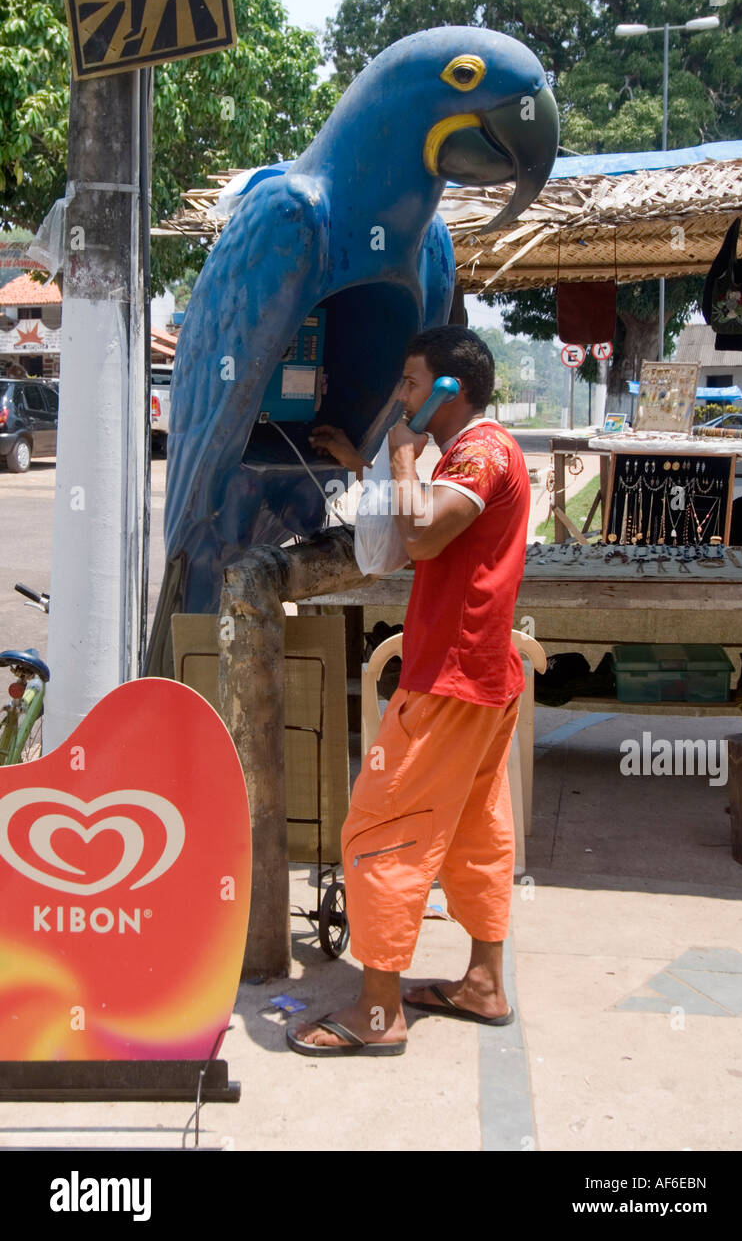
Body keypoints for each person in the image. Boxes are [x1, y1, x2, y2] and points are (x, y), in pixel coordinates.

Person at [289, 326, 530, 1057]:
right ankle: (482, 984)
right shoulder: (472, 453)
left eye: (410, 382)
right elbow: (421, 524)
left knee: (379, 831)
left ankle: (376, 1012)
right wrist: (366, 464)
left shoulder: (481, 451)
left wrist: (398, 453)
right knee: (470, 833)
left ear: (450, 391)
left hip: (450, 679)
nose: (401, 393)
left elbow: (423, 535)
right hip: (480, 678)